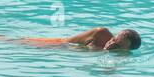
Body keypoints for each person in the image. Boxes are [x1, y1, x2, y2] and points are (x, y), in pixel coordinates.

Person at [11, 27, 142, 53]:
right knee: (12, 41)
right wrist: (104, 51)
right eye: (114, 39)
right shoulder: (101, 33)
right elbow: (68, 43)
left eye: (118, 46)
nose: (112, 43)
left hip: (62, 52)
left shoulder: (122, 56)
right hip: (59, 45)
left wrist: (107, 52)